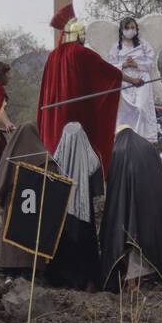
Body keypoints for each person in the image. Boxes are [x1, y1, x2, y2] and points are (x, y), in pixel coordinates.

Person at [100, 127, 162, 292]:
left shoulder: (116, 150)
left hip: (126, 198)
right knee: (147, 228)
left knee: (128, 228)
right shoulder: (148, 147)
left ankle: (133, 279)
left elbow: (113, 187)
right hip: (149, 202)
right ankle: (151, 272)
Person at [37, 6, 122, 174]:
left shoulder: (52, 55)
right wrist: (132, 79)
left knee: (56, 146)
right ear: (80, 35)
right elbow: (109, 73)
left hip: (54, 114)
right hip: (74, 114)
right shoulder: (82, 53)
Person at [45, 122, 104, 291]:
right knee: (87, 247)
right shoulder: (93, 159)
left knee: (64, 246)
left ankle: (66, 282)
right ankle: (89, 282)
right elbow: (98, 190)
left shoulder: (56, 160)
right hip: (86, 216)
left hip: (63, 214)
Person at [0, 122, 53, 281]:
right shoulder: (44, 157)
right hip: (34, 212)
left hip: (13, 209)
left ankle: (10, 273)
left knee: (11, 235)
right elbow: (55, 184)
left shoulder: (10, 157)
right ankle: (29, 272)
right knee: (31, 239)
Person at [108, 17, 159, 141]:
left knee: (141, 108)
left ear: (136, 29)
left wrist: (136, 64)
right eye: (127, 28)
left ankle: (142, 138)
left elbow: (151, 62)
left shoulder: (143, 44)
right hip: (124, 81)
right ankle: (124, 138)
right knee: (124, 111)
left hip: (142, 78)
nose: (130, 30)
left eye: (132, 28)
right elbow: (110, 67)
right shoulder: (116, 47)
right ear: (121, 30)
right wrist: (124, 65)